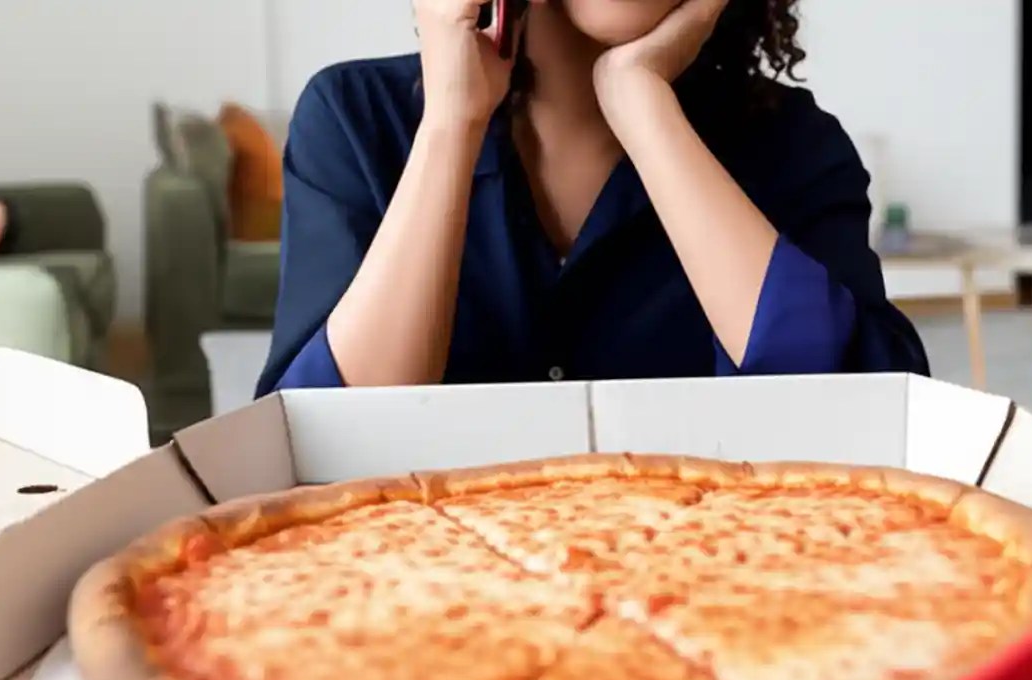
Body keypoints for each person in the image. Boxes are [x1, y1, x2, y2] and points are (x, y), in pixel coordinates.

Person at [256, 0, 928, 396]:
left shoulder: (793, 144)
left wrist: (644, 109)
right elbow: (323, 444)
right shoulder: (354, 119)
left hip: (714, 598)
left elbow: (859, 412)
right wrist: (451, 122)